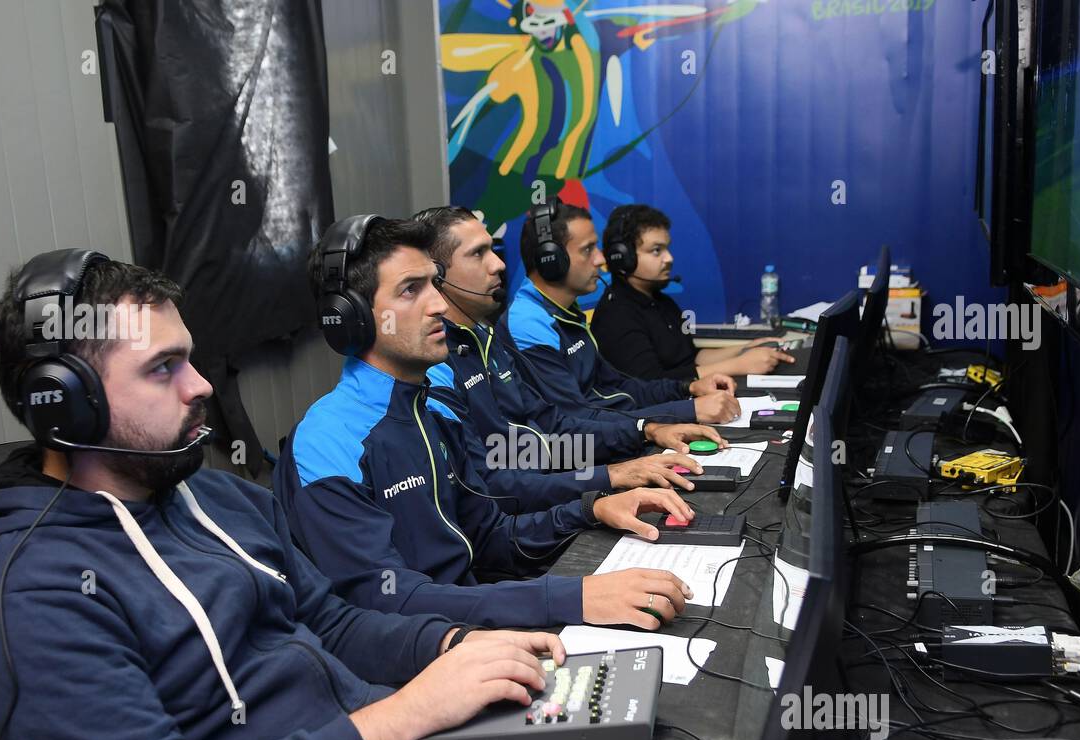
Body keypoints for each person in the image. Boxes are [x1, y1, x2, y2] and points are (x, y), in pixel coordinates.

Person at [0, 250, 563, 740]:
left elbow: (332, 622)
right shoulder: (33, 599)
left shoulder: (214, 496)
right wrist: (410, 714)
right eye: (163, 369)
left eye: (188, 357)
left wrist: (452, 647)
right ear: (66, 407)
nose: (200, 386)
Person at [276, 216, 696, 631]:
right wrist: (573, 592)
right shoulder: (328, 442)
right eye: (410, 290)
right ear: (350, 318)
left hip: (473, 612)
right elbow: (388, 600)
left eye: (433, 283)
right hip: (426, 649)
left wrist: (593, 505)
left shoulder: (436, 409)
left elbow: (491, 534)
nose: (439, 305)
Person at [414, 204, 735, 510]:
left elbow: (551, 427)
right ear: (436, 275)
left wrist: (648, 427)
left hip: (553, 486)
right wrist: (613, 472)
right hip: (536, 505)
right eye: (478, 253)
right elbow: (509, 467)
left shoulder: (483, 337)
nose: (498, 263)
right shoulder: (449, 358)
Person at [499, 198, 741, 425]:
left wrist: (688, 389)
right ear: (550, 260)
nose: (601, 259)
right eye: (587, 249)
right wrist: (687, 412)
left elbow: (619, 386)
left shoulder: (566, 313)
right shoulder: (528, 324)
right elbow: (575, 421)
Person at [592, 203, 795, 380]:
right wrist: (738, 365)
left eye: (667, 249)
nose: (669, 258)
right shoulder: (616, 316)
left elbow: (692, 358)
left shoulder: (662, 302)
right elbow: (651, 383)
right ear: (622, 257)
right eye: (656, 250)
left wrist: (747, 348)